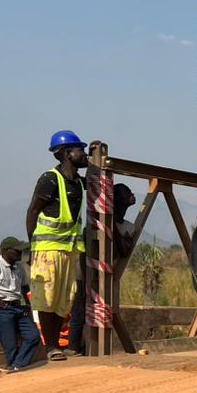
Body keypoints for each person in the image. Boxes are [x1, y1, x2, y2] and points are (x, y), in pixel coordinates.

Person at [27, 130, 87, 361]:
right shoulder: (50, 179)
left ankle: (54, 346)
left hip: (68, 250)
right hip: (47, 250)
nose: (83, 154)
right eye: (80, 149)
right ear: (67, 154)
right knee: (47, 298)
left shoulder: (79, 183)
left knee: (63, 300)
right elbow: (32, 211)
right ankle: (51, 346)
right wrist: (32, 248)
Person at [66, 182, 138, 356]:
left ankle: (88, 347)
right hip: (86, 272)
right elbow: (86, 251)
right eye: (127, 194)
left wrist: (110, 226)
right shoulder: (94, 224)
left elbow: (124, 250)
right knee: (80, 310)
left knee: (102, 310)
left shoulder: (127, 227)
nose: (132, 196)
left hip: (106, 274)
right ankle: (74, 347)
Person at [0, 237, 42, 372]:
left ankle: (17, 365)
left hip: (18, 307)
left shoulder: (19, 267)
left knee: (33, 336)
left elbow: (25, 288)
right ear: (5, 251)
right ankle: (14, 366)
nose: (20, 254)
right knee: (10, 345)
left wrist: (30, 306)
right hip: (1, 309)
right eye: (16, 251)